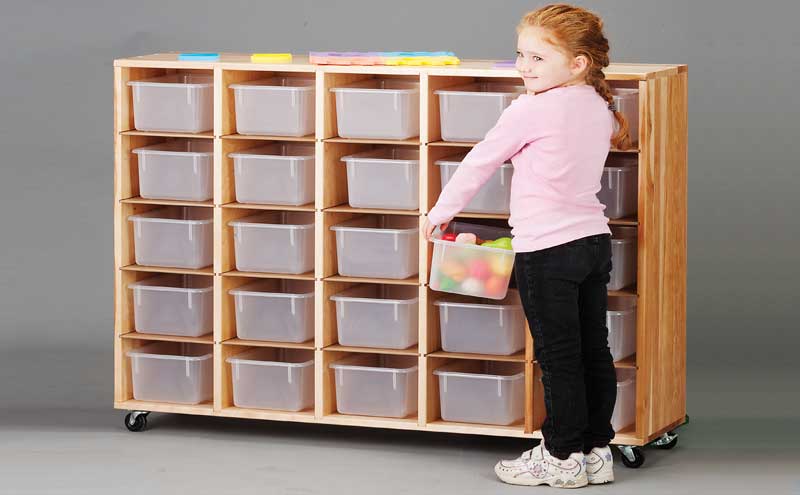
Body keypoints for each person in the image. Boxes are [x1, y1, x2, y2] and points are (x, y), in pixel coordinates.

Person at [423, 3, 632, 488]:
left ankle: (560, 457)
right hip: (593, 243)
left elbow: (480, 162)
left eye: (538, 58)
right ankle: (595, 450)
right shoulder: (598, 104)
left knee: (558, 357)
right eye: (521, 55)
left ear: (578, 63)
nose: (523, 67)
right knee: (593, 350)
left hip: (548, 250)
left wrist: (438, 215)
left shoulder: (530, 108)